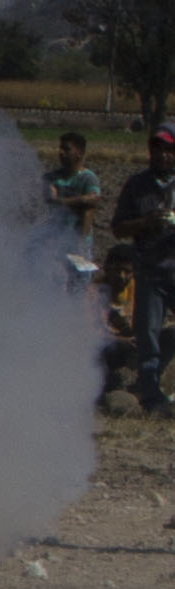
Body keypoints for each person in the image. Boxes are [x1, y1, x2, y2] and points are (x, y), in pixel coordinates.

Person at [110, 127, 175, 416]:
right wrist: (146, 223)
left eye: (169, 149)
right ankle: (151, 399)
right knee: (148, 339)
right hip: (151, 273)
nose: (163, 154)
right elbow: (118, 228)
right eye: (158, 148)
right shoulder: (136, 186)